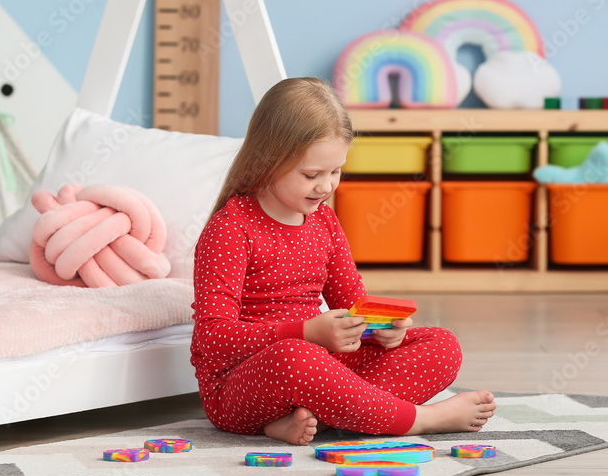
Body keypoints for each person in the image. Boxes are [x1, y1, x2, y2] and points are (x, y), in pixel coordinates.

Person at [190, 77, 496, 445]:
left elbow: (353, 306)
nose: (326, 186)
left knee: (441, 344)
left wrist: (382, 330)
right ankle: (418, 421)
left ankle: (321, 415)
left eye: (336, 171)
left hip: (319, 366)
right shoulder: (231, 227)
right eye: (311, 175)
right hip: (242, 385)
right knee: (296, 357)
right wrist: (305, 332)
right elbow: (212, 338)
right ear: (268, 160)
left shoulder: (324, 221)